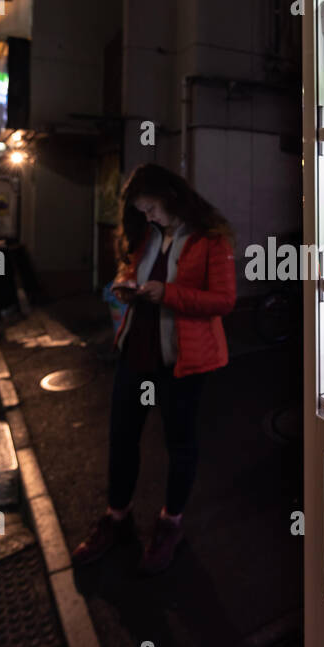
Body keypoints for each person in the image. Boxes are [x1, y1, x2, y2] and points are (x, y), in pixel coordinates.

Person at [71, 163, 236, 574]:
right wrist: (124, 287)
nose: (148, 217)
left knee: (180, 444)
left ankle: (170, 524)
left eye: (152, 209)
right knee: (122, 437)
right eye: (142, 211)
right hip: (136, 352)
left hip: (184, 361)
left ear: (172, 197)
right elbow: (130, 273)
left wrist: (169, 294)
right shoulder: (146, 236)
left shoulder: (210, 240)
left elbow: (223, 301)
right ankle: (117, 516)